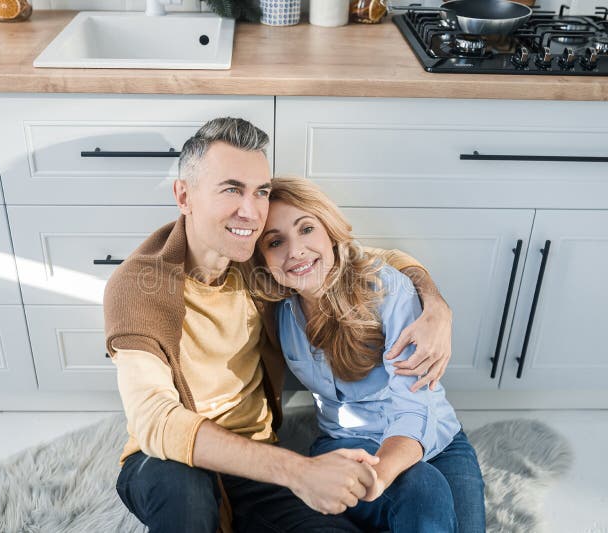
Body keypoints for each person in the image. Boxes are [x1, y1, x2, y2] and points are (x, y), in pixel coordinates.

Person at [103, 117, 456, 532]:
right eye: (231, 189)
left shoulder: (257, 257)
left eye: (261, 192)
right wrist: (296, 471)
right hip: (166, 463)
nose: (250, 211)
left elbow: (354, 256)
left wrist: (434, 305)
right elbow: (155, 421)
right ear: (184, 196)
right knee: (188, 502)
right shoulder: (138, 286)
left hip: (256, 465)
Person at [248, 176, 486, 533]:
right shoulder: (278, 310)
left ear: (329, 231)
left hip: (438, 439)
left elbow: (414, 408)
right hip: (344, 443)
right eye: (276, 241)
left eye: (307, 228)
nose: (295, 250)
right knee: (423, 489)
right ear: (263, 259)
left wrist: (380, 475)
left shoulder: (386, 288)